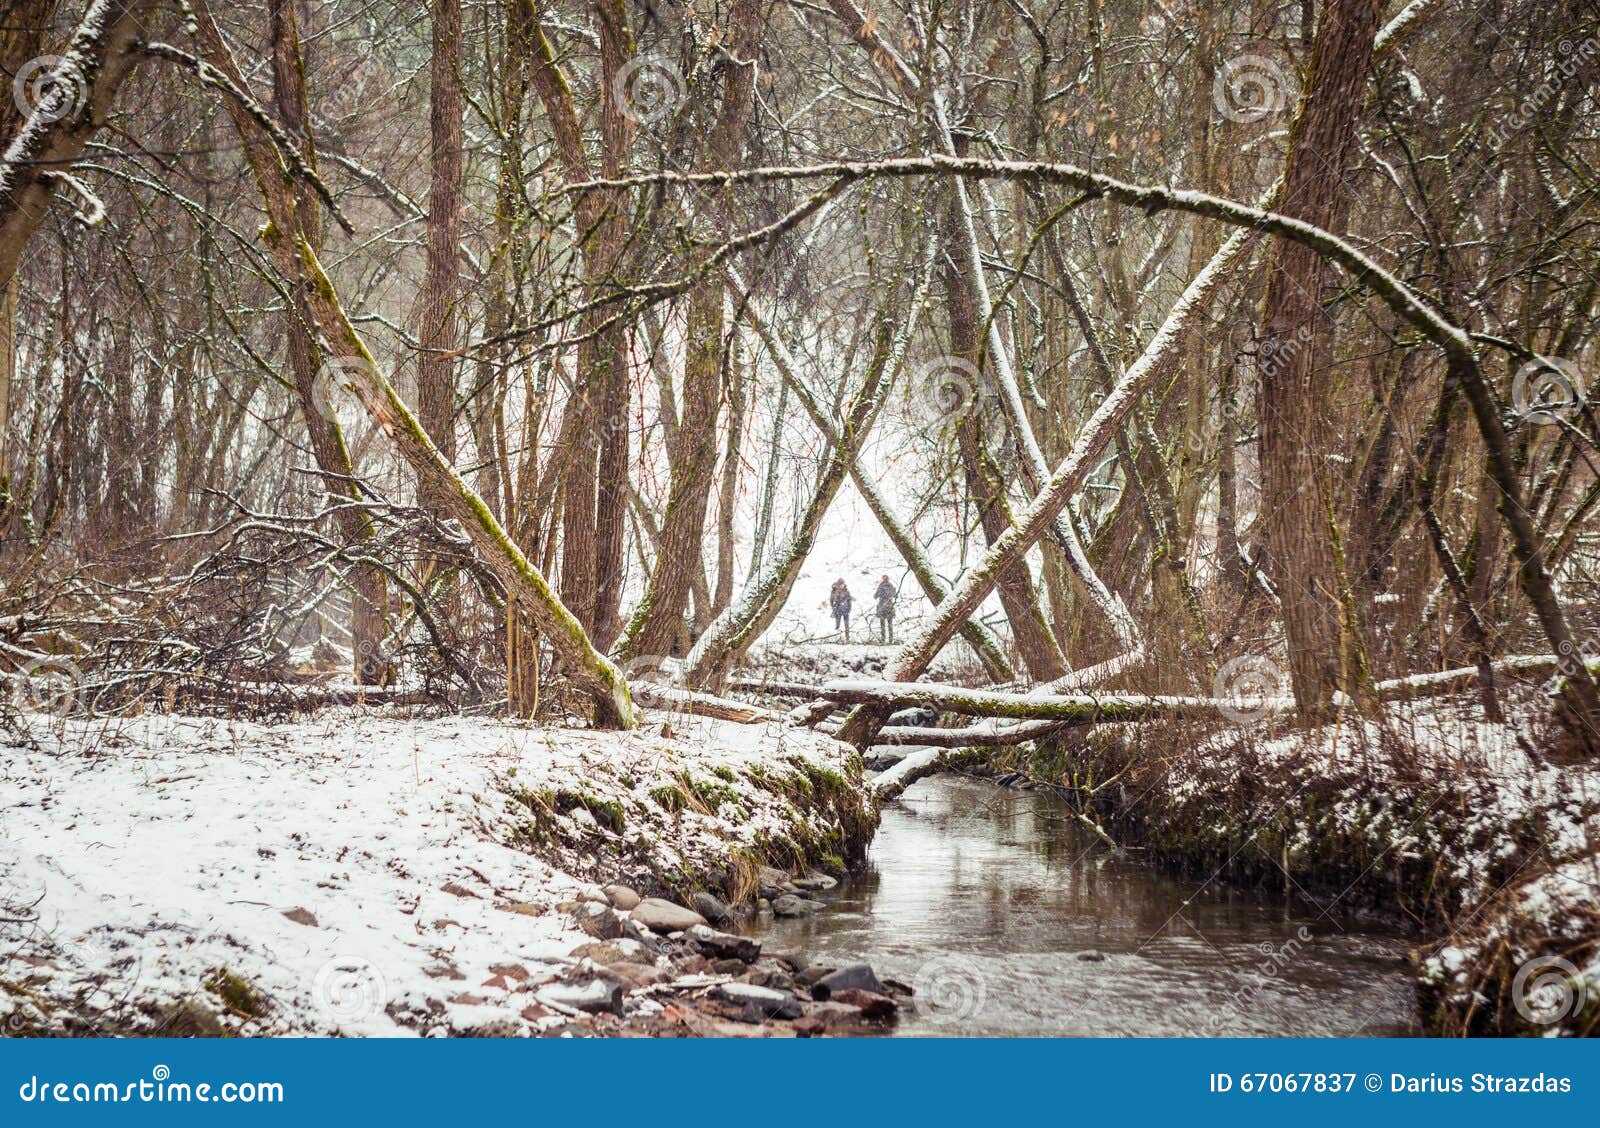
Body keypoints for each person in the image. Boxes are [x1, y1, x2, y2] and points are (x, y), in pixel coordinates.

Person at [873, 575, 897, 643]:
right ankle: (891, 639)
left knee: (882, 625)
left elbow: (875, 596)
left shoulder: (881, 586)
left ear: (883, 579)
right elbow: (895, 595)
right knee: (890, 624)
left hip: (882, 607)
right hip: (889, 607)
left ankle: (883, 639)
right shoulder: (891, 586)